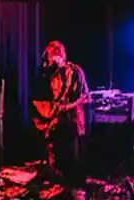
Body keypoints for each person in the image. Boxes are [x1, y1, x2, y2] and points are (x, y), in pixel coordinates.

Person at [38, 40, 89, 194]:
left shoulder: (74, 72)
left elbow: (83, 97)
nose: (48, 60)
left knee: (72, 156)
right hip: (60, 121)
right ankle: (62, 186)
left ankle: (76, 188)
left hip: (71, 121)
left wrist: (64, 108)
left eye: (50, 56)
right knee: (58, 154)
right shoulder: (54, 75)